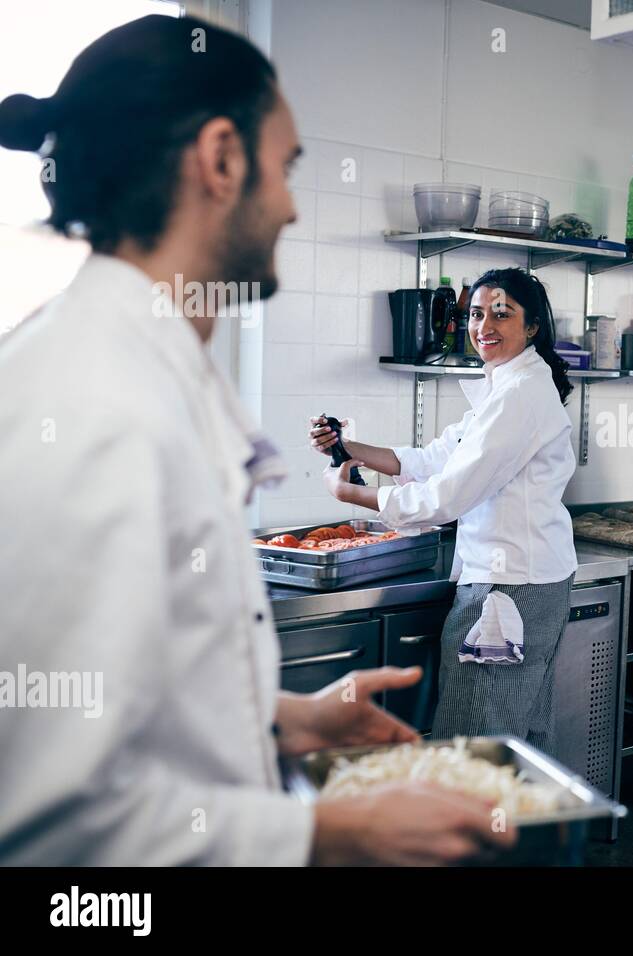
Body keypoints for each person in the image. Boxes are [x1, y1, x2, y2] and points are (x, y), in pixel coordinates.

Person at [0, 15, 512, 866]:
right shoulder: (92, 404)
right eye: (286, 167)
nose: (292, 204)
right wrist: (330, 831)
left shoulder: (153, 367)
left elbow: (133, 696)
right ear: (221, 159)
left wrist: (286, 719)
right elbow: (53, 819)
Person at [311, 268, 578, 754]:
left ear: (533, 325)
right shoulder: (508, 386)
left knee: (477, 742)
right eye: (476, 314)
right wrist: (350, 446)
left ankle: (480, 829)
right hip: (526, 579)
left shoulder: (519, 396)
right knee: (517, 739)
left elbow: (446, 497)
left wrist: (353, 495)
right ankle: (516, 828)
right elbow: (435, 458)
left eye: (502, 313)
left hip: (508, 589)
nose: (484, 326)